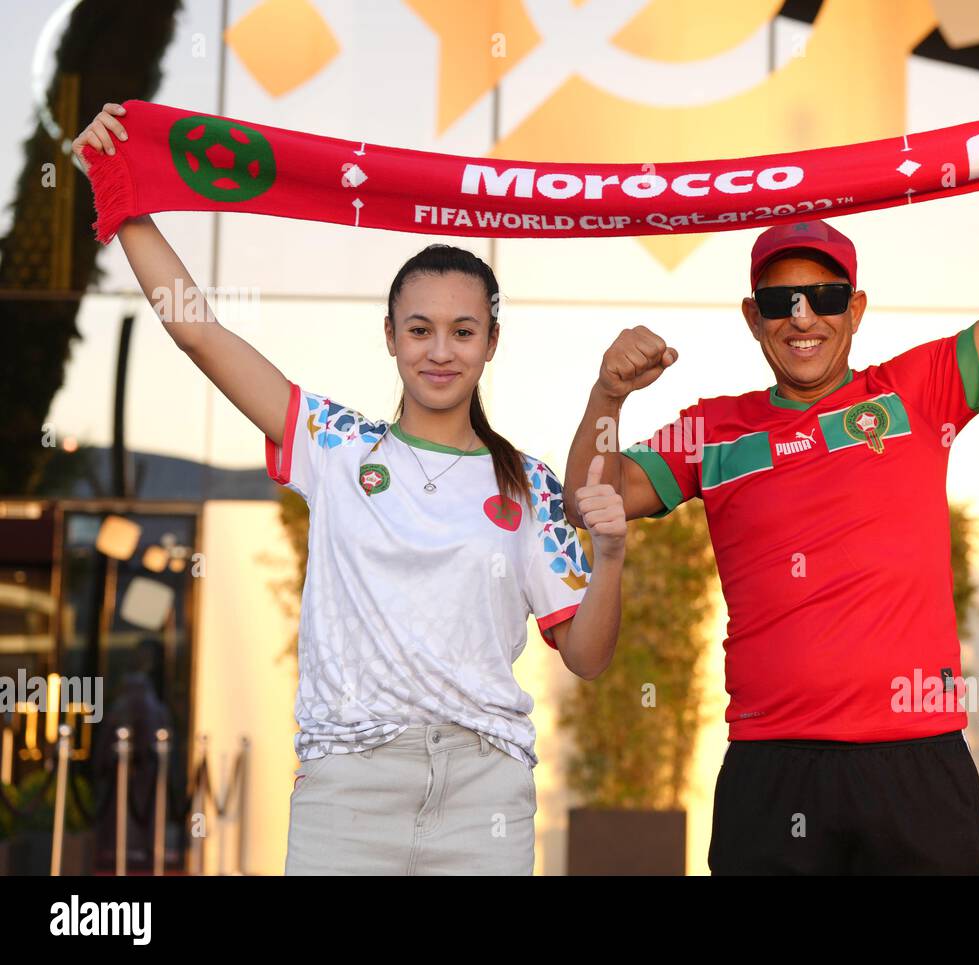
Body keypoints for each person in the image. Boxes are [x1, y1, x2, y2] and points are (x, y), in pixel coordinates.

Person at [561, 85, 979, 876]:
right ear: (753, 316)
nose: (803, 317)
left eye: (824, 296)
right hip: (773, 768)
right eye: (780, 300)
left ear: (856, 308)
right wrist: (608, 395)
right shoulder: (712, 428)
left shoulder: (918, 391)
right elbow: (591, 498)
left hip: (916, 765)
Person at [73, 103, 628, 876]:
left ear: (491, 343)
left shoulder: (526, 481)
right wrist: (121, 188)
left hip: (485, 794)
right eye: (420, 329)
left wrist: (610, 555)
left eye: (464, 331)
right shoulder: (333, 445)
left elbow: (590, 658)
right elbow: (196, 328)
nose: (441, 351)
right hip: (349, 787)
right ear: (392, 335)